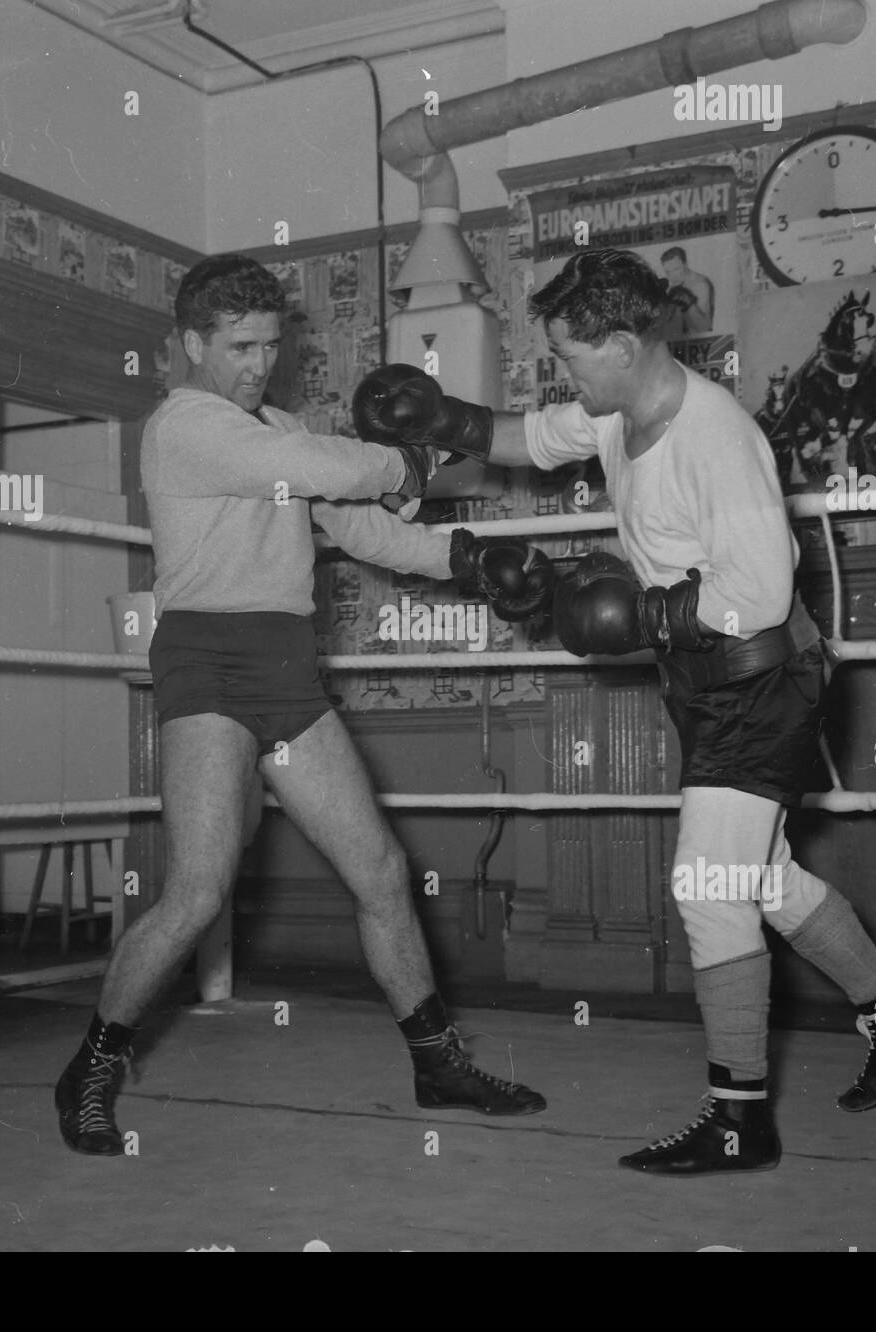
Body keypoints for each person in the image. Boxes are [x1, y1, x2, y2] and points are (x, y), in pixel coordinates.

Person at [378, 249, 876, 1176]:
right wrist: (443, 417)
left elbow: (761, 593)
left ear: (621, 342)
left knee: (707, 887)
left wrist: (637, 615)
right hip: (708, 680)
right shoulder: (619, 411)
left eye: (569, 355)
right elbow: (531, 437)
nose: (562, 371)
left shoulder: (714, 435)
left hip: (761, 679)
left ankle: (739, 1117)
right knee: (760, 879)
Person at [55, 254, 552, 1156]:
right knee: (200, 887)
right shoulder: (184, 427)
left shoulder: (278, 425)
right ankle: (91, 1069)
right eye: (240, 346)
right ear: (191, 343)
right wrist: (422, 450)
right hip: (206, 663)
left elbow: (362, 526)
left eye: (272, 346)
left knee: (380, 870)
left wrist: (470, 563)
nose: (258, 364)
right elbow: (313, 463)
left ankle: (438, 1062)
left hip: (285, 669)